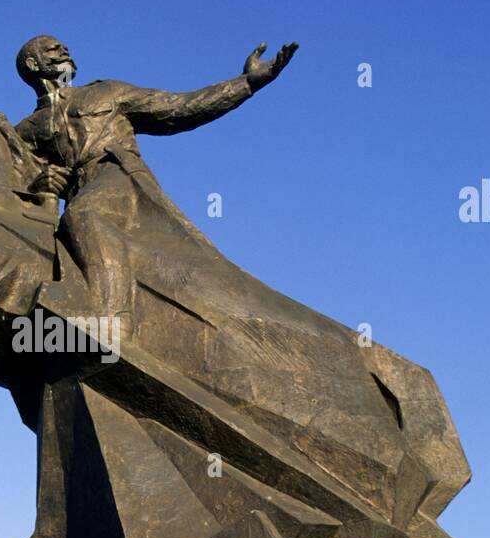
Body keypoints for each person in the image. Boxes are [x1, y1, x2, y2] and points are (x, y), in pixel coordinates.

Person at [15, 34, 298, 336]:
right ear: (33, 64)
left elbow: (178, 108)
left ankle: (115, 320)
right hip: (77, 193)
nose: (64, 50)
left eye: (63, 46)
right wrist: (39, 183)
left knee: (85, 215)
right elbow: (14, 187)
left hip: (116, 175)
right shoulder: (26, 130)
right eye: (52, 49)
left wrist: (246, 83)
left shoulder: (106, 92)